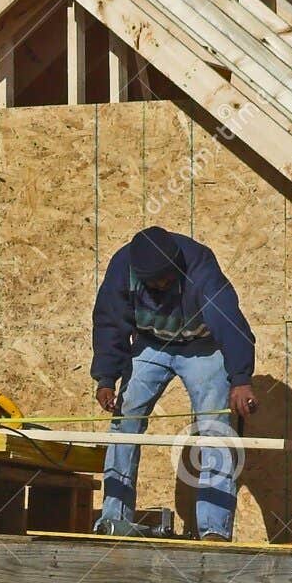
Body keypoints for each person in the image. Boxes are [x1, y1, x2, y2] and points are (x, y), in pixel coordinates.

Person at [90, 226, 257, 541]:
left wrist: (241, 379)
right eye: (155, 282)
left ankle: (213, 530)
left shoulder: (199, 265)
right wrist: (106, 378)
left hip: (203, 348)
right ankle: (114, 521)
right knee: (125, 422)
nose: (163, 285)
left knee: (213, 431)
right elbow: (110, 322)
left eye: (168, 278)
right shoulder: (122, 269)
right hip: (151, 345)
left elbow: (228, 320)